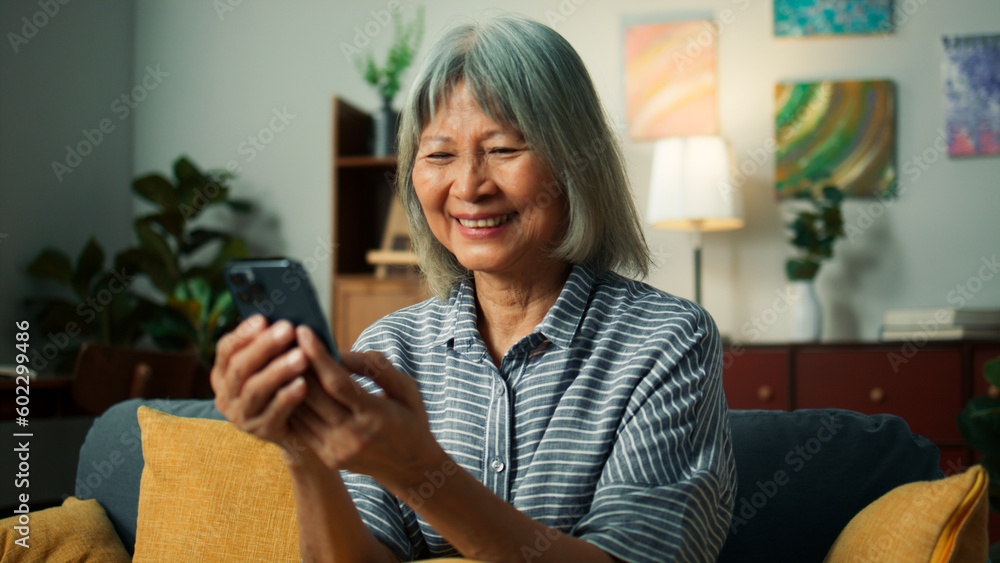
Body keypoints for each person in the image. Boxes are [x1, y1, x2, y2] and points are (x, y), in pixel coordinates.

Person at [211, 14, 735, 563]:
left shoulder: (667, 340)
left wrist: (418, 471)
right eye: (439, 155)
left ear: (575, 163)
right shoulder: (390, 350)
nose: (468, 186)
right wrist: (303, 445)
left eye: (503, 150)